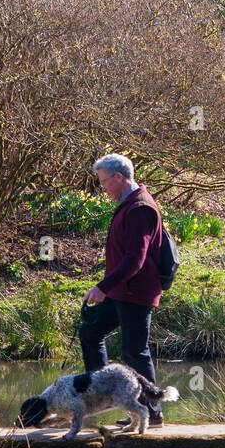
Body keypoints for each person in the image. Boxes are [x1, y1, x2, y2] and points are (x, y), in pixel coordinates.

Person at [79, 153, 166, 427]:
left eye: (104, 181)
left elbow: (135, 259)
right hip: (120, 292)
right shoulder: (127, 202)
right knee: (89, 332)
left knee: (134, 352)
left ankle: (152, 412)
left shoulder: (140, 208)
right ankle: (105, 393)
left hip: (137, 294)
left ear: (119, 177)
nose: (102, 187)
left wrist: (103, 287)